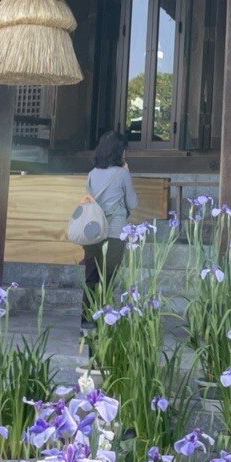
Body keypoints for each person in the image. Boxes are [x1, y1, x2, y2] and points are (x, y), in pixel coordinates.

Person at [80, 131, 138, 330]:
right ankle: (104, 318)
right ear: (119, 151)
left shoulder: (92, 173)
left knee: (91, 276)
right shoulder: (122, 173)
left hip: (93, 231)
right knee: (109, 276)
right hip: (114, 231)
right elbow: (133, 202)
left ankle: (87, 318)